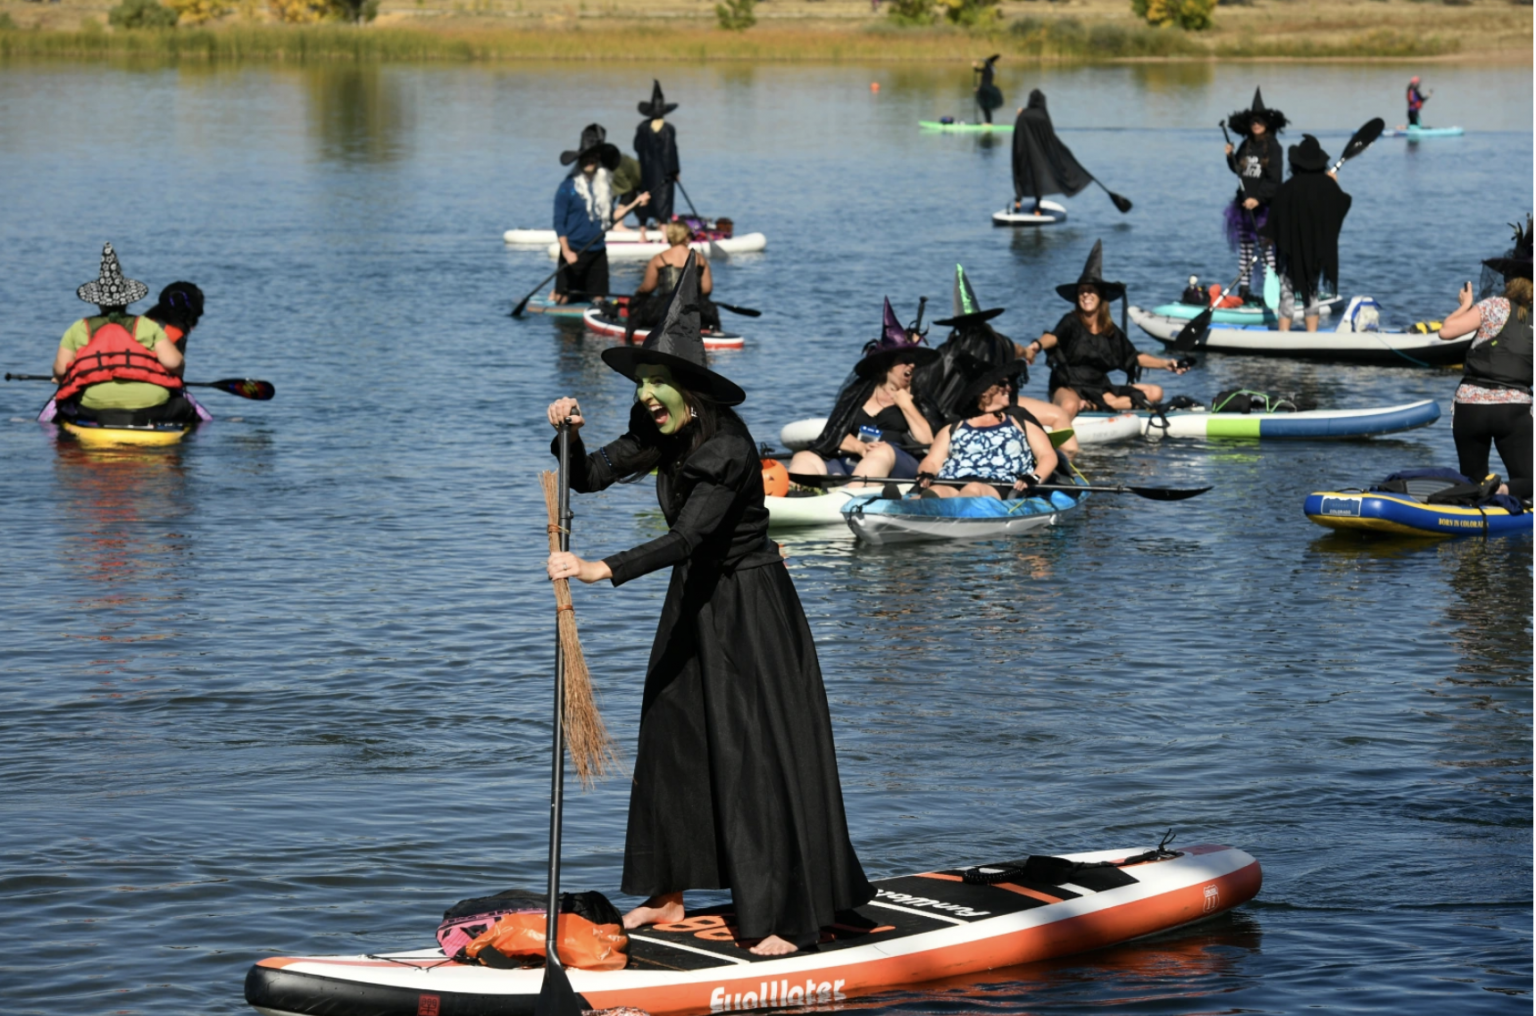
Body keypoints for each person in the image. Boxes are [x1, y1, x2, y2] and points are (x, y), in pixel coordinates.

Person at [544, 254, 873, 957]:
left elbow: (692, 535)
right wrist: (567, 431)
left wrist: (602, 567)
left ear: (693, 389)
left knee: (747, 753)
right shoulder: (662, 425)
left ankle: (777, 915)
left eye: (660, 386)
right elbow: (591, 476)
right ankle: (666, 894)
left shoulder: (726, 447)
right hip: (691, 603)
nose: (649, 398)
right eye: (644, 385)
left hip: (750, 609)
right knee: (673, 734)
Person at [919, 264, 1080, 459]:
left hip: (949, 417)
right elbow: (1018, 350)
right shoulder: (998, 341)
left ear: (956, 326)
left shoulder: (944, 351)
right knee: (1059, 415)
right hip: (994, 402)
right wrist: (1029, 352)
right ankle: (1067, 467)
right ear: (984, 320)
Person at [1022, 240, 1187, 417]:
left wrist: (1166, 364)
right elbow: (1053, 338)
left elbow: (1133, 357)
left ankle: (1093, 407)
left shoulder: (1110, 331)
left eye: (1091, 290)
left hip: (1098, 386)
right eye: (1082, 291)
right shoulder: (1071, 321)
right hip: (1068, 384)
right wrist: (1036, 346)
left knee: (1155, 393)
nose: (1086, 294)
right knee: (1070, 405)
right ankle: (1073, 418)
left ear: (1101, 297)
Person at [791, 298, 941, 483]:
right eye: (905, 360)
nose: (911, 365)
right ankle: (800, 495)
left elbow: (928, 441)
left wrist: (905, 405)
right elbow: (833, 435)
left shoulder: (916, 397)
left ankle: (847, 497)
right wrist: (859, 447)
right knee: (804, 458)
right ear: (887, 365)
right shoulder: (856, 394)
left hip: (896, 462)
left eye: (913, 361)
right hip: (853, 459)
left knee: (881, 452)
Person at [1437, 217, 1532, 500]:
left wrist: (1464, 306)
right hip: (1512, 410)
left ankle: (1475, 501)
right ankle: (1501, 490)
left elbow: (1446, 332)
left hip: (1469, 407)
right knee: (1529, 480)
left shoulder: (1492, 305)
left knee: (1472, 480)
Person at [51, 243, 195, 427]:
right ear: (127, 301)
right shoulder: (147, 326)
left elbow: (61, 370)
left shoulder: (78, 328)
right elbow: (173, 363)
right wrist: (179, 372)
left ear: (98, 302)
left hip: (95, 408)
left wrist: (58, 377)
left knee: (65, 404)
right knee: (183, 405)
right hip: (151, 407)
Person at [915, 356, 1059, 500]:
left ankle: (944, 510)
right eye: (1002, 384)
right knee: (938, 490)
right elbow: (933, 461)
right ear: (984, 391)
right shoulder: (954, 425)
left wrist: (1034, 477)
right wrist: (926, 473)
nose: (1009, 388)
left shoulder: (1019, 420)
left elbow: (1046, 455)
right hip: (953, 481)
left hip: (1001, 485)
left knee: (974, 488)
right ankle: (911, 505)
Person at [1262, 135, 1352, 333]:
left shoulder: (1287, 187)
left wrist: (1268, 238)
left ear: (1296, 163)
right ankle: (1312, 336)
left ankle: (1283, 335)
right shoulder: (1327, 186)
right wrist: (1334, 184)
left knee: (1286, 293)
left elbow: (1275, 217)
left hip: (1289, 249)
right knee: (1311, 293)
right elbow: (1343, 203)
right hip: (1315, 251)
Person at [553, 124, 650, 304]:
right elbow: (559, 223)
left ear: (598, 160)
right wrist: (566, 251)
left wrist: (636, 203)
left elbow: (612, 217)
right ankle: (559, 297)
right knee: (562, 298)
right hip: (574, 250)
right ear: (580, 160)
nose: (590, 161)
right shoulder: (566, 188)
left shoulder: (604, 188)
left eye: (594, 157)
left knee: (599, 299)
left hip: (598, 251)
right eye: (586, 158)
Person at [1224, 88, 1287, 305]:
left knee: (1267, 251)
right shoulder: (1246, 144)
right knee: (1245, 249)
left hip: (1264, 209)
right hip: (1243, 207)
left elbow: (1275, 180)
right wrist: (1230, 157)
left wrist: (1258, 199)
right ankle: (1244, 290)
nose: (1256, 124)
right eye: (1253, 121)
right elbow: (1238, 171)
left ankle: (1276, 290)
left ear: (1267, 123)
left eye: (1260, 121)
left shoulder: (1274, 148)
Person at [624, 222, 720, 342]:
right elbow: (707, 289)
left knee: (639, 309)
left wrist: (637, 297)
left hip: (665, 309)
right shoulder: (700, 259)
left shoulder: (659, 259)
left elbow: (648, 287)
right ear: (686, 236)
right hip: (695, 309)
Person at [1010, 90, 1098, 217]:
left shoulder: (1023, 115)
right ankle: (1037, 209)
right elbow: (1049, 137)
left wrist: (1020, 114)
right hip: (1038, 157)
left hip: (1023, 154)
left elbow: (1017, 134)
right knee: (1037, 181)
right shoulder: (1042, 115)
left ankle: (1018, 203)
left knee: (1020, 176)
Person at [634, 81, 680, 229]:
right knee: (664, 202)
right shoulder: (668, 129)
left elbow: (636, 147)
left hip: (646, 172)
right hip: (664, 175)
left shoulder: (642, 127)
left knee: (645, 199)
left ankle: (642, 234)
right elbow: (671, 152)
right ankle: (664, 234)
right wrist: (675, 172)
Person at [973, 54, 1003, 125]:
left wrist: (974, 66)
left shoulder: (986, 69)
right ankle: (989, 122)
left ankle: (988, 122)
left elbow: (977, 71)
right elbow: (986, 80)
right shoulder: (990, 70)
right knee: (986, 107)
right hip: (988, 89)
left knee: (985, 106)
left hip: (985, 89)